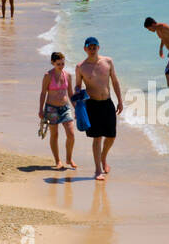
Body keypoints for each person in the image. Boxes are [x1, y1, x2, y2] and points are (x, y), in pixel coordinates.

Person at [75, 38, 123, 181]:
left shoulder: (108, 62)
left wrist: (120, 100)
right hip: (92, 105)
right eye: (89, 47)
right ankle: (97, 170)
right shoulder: (81, 67)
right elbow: (77, 85)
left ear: (98, 47)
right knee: (97, 138)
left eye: (94, 46)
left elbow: (114, 81)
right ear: (85, 49)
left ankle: (103, 158)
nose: (92, 49)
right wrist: (78, 95)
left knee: (111, 136)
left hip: (107, 103)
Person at [39, 52, 77, 170]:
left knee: (71, 134)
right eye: (58, 64)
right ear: (53, 63)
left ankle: (69, 158)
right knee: (54, 135)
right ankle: (57, 161)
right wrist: (41, 109)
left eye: (63, 63)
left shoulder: (68, 75)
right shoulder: (48, 76)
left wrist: (76, 108)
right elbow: (43, 93)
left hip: (65, 108)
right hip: (51, 108)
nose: (61, 66)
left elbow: (70, 93)